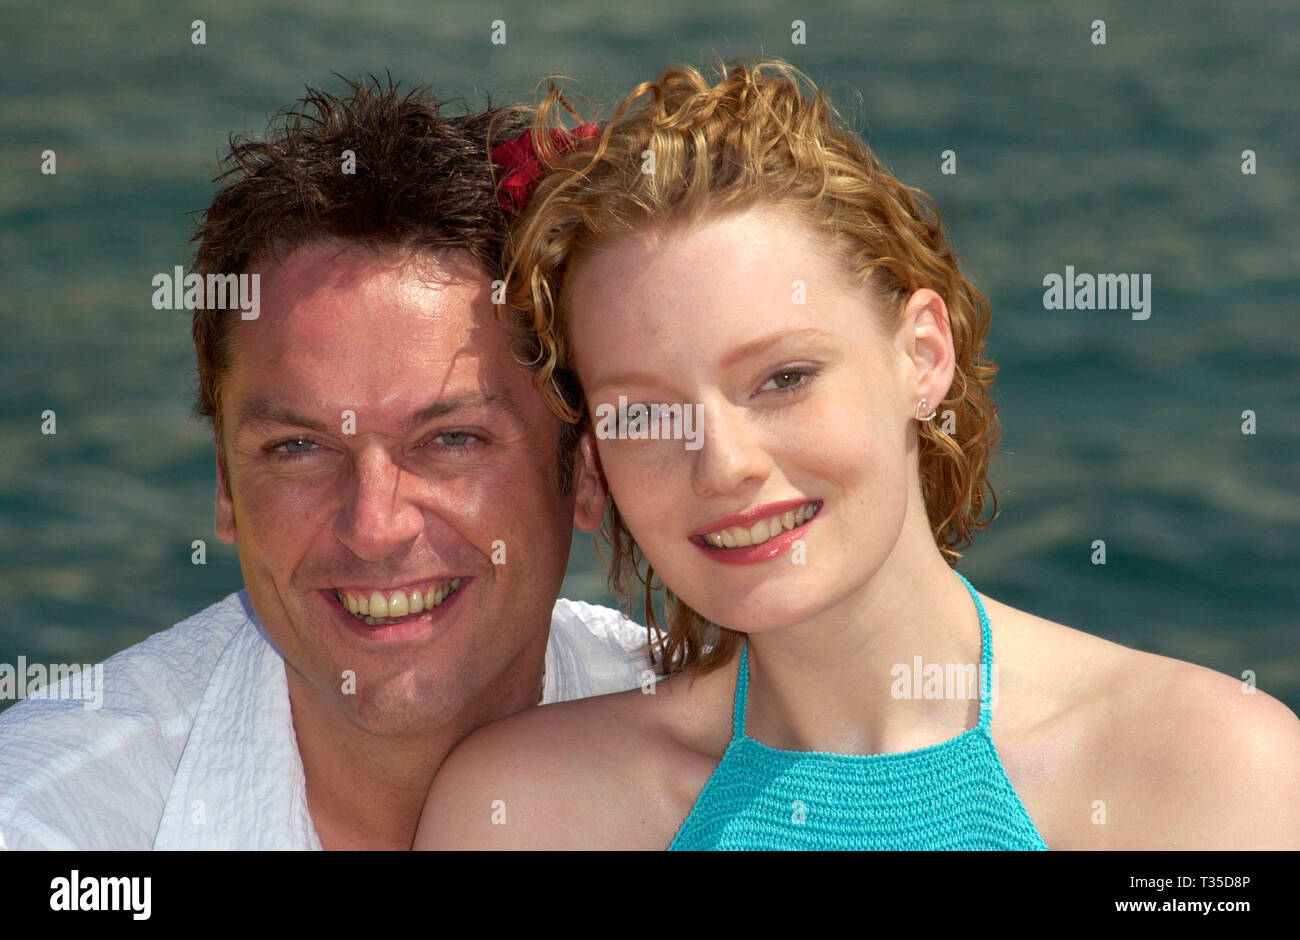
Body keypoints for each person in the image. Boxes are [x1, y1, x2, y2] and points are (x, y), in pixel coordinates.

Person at [416, 58, 1300, 850]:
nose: (722, 464)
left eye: (784, 377)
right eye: (644, 415)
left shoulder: (1215, 776)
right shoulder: (526, 812)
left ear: (923, 356)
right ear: (596, 466)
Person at [0, 78, 656, 850]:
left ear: (584, 468)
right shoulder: (47, 822)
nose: (374, 527)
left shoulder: (735, 775)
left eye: (451, 440)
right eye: (300, 449)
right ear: (226, 488)